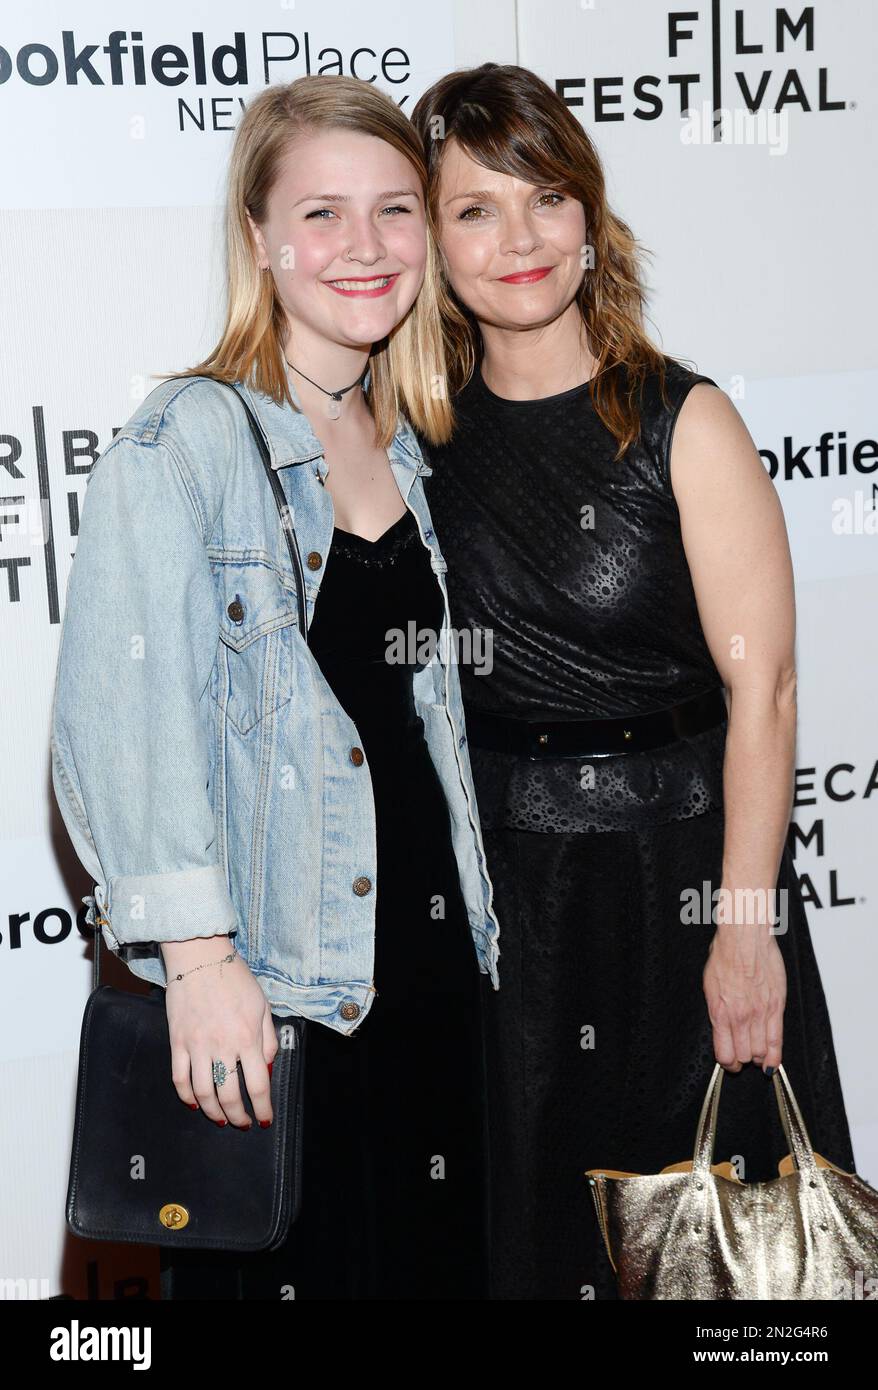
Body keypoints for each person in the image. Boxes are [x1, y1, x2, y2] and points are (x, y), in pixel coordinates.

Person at [410, 63, 857, 1301]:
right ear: (432, 238)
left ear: (588, 219)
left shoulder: (678, 420)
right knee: (532, 1240)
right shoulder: (414, 442)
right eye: (474, 209)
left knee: (718, 1262)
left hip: (679, 886)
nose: (518, 240)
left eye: (545, 198)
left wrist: (744, 927)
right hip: (505, 905)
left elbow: (759, 695)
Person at [50, 75, 500, 1300]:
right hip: (285, 1000)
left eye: (394, 209)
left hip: (429, 981)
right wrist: (197, 966)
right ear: (258, 235)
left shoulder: (408, 437)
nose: (363, 247)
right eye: (320, 213)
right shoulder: (189, 436)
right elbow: (119, 715)